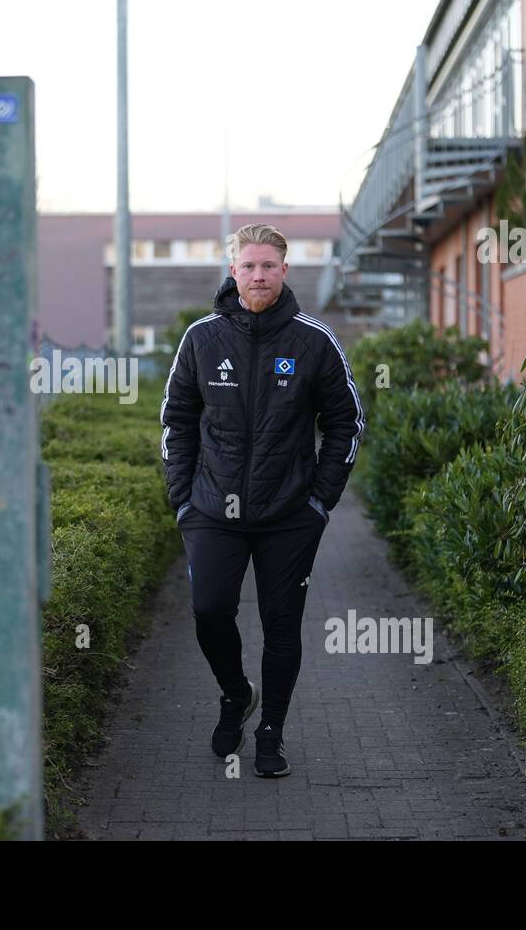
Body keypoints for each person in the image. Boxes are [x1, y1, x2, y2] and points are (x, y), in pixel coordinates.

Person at [160, 223, 364, 777]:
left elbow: (346, 422)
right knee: (209, 611)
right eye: (248, 265)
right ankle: (235, 694)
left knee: (281, 624)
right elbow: (177, 421)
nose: (257, 275)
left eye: (268, 266)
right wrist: (182, 499)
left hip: (288, 515)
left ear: (284, 271)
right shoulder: (202, 338)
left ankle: (271, 731)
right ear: (233, 271)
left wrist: (319, 501)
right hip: (211, 510)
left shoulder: (313, 340)